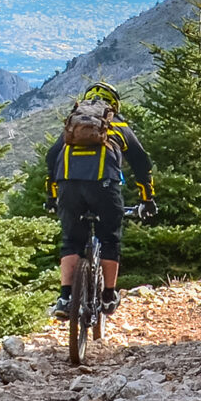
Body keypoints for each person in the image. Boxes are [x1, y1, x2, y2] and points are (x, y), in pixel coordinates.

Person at [43, 83, 155, 319]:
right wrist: (147, 200)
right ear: (114, 104)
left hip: (68, 184)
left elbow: (51, 158)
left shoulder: (73, 125)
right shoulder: (118, 125)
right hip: (104, 185)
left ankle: (65, 298)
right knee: (109, 238)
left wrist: (52, 196)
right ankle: (108, 296)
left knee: (71, 241)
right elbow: (142, 164)